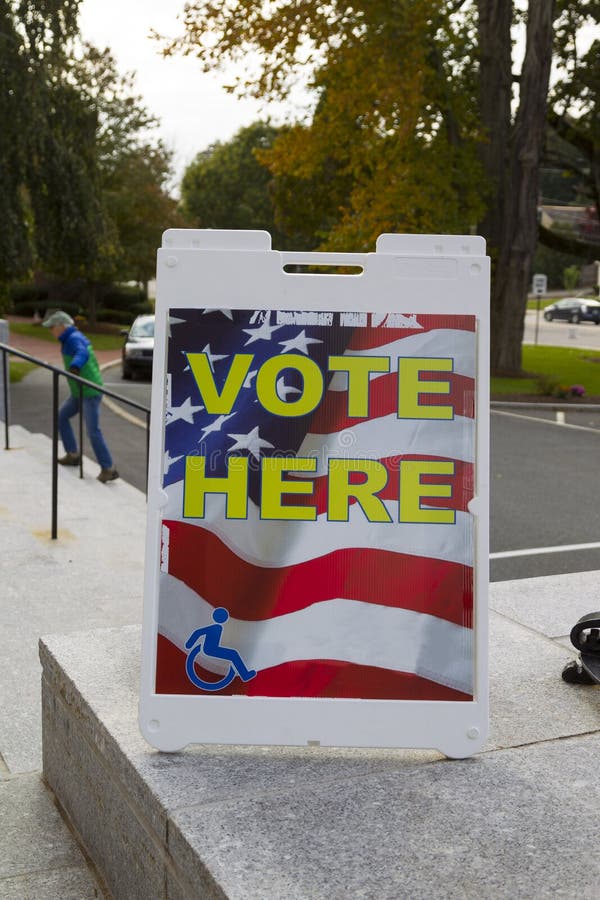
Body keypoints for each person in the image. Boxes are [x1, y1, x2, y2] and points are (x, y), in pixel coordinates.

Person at [42, 310, 118, 483]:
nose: (51, 331)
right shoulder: (69, 338)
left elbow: (82, 352)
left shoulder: (73, 338)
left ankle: (109, 468)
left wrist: (75, 366)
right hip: (79, 391)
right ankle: (73, 454)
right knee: (61, 417)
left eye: (52, 327)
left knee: (93, 431)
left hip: (89, 391)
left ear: (62, 326)